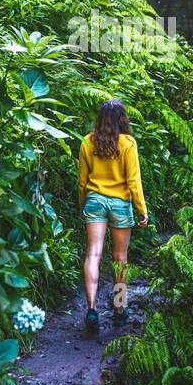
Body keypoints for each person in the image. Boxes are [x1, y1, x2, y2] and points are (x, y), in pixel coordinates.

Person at [77, 99, 148, 335]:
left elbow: (82, 181)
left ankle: (91, 309)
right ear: (122, 119)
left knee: (93, 253)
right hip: (120, 203)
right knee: (120, 258)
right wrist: (142, 209)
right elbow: (133, 181)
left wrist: (83, 204)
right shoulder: (127, 143)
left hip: (95, 201)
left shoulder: (87, 142)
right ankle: (119, 309)